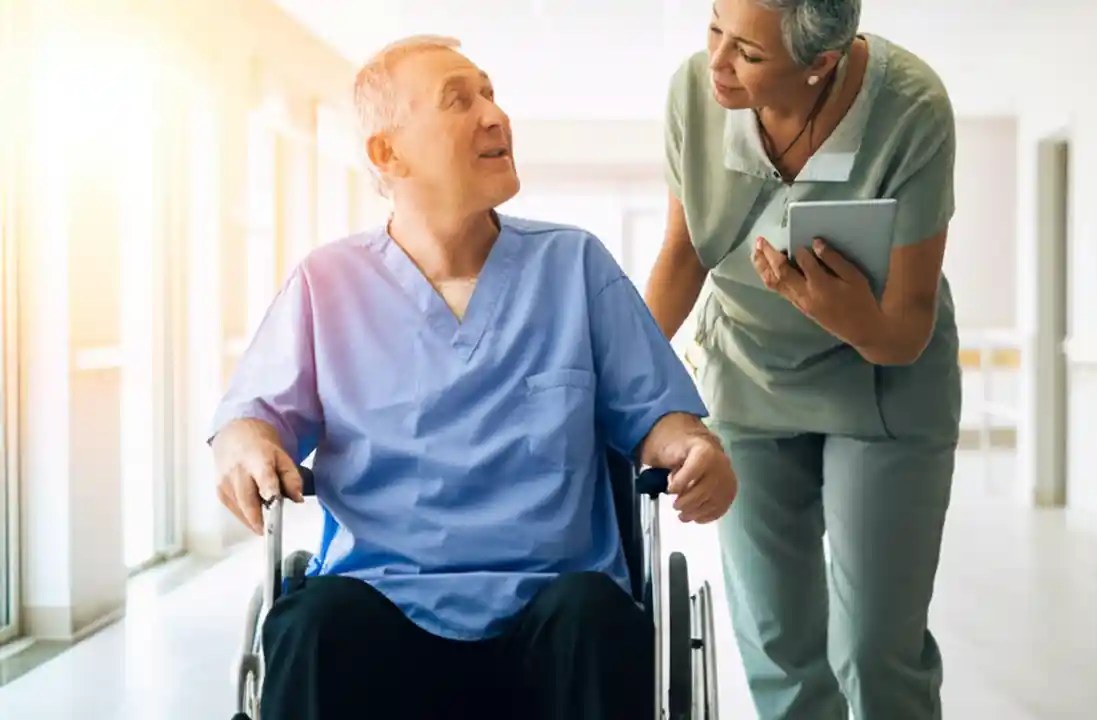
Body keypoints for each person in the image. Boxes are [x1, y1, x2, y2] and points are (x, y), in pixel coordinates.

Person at [210, 35, 737, 720]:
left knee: (596, 617)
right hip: (382, 611)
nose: (495, 115)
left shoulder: (574, 265)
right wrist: (245, 445)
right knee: (313, 626)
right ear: (386, 153)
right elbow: (249, 420)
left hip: (551, 619)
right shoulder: (327, 283)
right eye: (460, 101)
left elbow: (661, 419)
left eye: (490, 93)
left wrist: (697, 449)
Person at [645, 1, 959, 718]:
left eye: (747, 54)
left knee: (875, 650)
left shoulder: (911, 110)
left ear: (820, 63)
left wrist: (837, 312)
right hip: (749, 377)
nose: (717, 63)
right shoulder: (695, 92)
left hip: (880, 380)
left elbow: (906, 329)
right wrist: (618, 379)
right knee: (778, 644)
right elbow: (682, 253)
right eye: (714, 27)